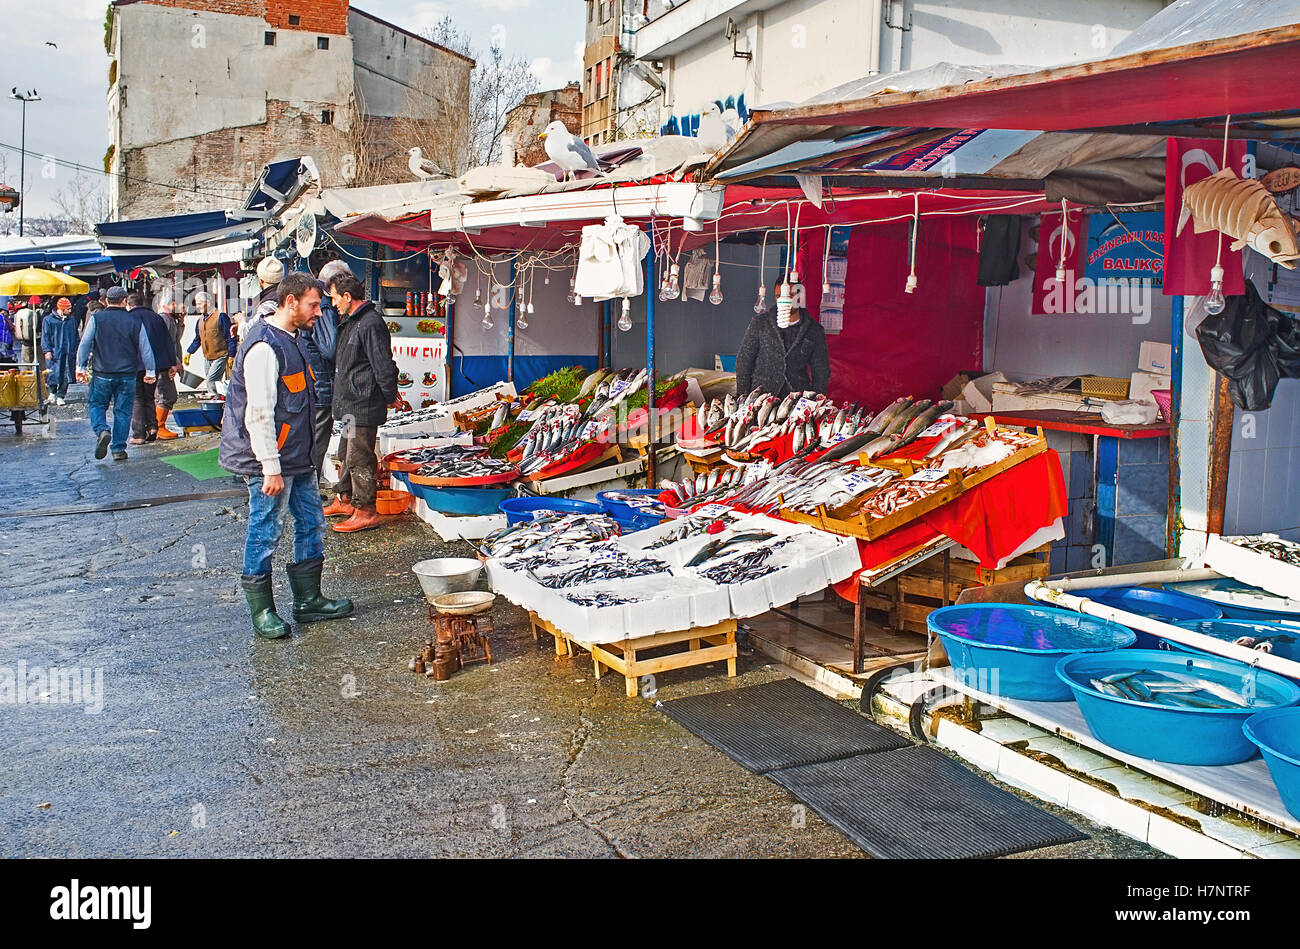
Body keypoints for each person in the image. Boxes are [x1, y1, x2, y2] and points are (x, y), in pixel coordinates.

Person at [218, 272, 353, 639]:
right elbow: (259, 412)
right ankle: (263, 612)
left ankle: (309, 601)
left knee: (312, 523)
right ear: (290, 302)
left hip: (298, 458)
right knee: (266, 530)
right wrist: (270, 468)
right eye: (313, 305)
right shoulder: (264, 345)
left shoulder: (294, 338)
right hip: (270, 462)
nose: (319, 313)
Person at [322, 270, 399, 533]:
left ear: (347, 296)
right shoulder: (350, 320)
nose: (333, 304)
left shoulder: (370, 323)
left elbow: (383, 365)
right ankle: (345, 499)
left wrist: (389, 396)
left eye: (334, 298)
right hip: (349, 403)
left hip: (363, 403)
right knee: (345, 454)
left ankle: (366, 510)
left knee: (360, 457)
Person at [77, 286, 155, 461]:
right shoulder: (134, 321)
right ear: (124, 301)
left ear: (106, 301)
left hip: (102, 372)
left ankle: (102, 430)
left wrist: (80, 368)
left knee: (97, 405)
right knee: (123, 411)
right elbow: (146, 348)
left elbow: (85, 344)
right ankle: (118, 449)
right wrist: (150, 371)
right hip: (127, 374)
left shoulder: (97, 318)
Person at [735, 295, 831, 397]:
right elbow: (744, 362)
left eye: (790, 295)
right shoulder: (760, 323)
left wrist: (816, 401)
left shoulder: (814, 330)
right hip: (761, 398)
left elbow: (822, 371)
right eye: (779, 296)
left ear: (799, 296)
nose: (785, 300)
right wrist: (743, 398)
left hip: (797, 400)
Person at [307, 261, 347, 483]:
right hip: (321, 385)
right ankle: (309, 489)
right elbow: (330, 348)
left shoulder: (319, 302)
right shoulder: (324, 306)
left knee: (315, 439)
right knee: (317, 441)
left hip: (318, 382)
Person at [126, 292, 179, 444]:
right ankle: (153, 428)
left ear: (129, 305)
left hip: (135, 364)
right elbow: (168, 341)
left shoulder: (129, 318)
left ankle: (138, 434)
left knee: (137, 398)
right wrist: (171, 363)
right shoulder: (156, 318)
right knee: (150, 397)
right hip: (156, 364)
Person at [184, 291, 235, 398]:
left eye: (200, 303)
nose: (197, 307)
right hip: (207, 357)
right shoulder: (200, 320)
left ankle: (214, 404)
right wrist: (189, 352)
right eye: (197, 304)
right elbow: (197, 339)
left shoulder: (221, 316)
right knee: (212, 383)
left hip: (221, 355)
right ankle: (219, 401)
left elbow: (230, 336)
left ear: (208, 303)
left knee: (211, 380)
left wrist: (231, 355)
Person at [152, 293, 184, 439]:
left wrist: (181, 323)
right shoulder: (165, 319)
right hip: (165, 363)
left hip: (168, 360)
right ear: (171, 304)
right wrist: (175, 362)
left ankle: (158, 426)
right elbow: (168, 343)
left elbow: (176, 339)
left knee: (167, 394)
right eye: (179, 304)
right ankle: (159, 427)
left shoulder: (171, 319)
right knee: (166, 395)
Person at [41, 297, 80, 404]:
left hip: (68, 350)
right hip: (54, 350)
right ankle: (52, 392)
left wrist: (76, 347)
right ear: (62, 309)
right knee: (52, 372)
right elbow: (46, 336)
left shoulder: (71, 320)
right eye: (68, 308)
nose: (70, 310)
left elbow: (76, 335)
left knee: (66, 374)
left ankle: (61, 395)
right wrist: (47, 350)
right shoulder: (48, 320)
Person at [236, 257, 285, 343]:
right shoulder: (285, 294)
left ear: (261, 280)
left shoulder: (269, 303)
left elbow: (249, 333)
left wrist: (241, 321)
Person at [13, 295, 41, 365]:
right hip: (38, 343)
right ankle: (40, 376)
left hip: (25, 342)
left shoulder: (22, 312)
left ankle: (26, 375)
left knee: (26, 364)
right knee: (41, 364)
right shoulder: (40, 313)